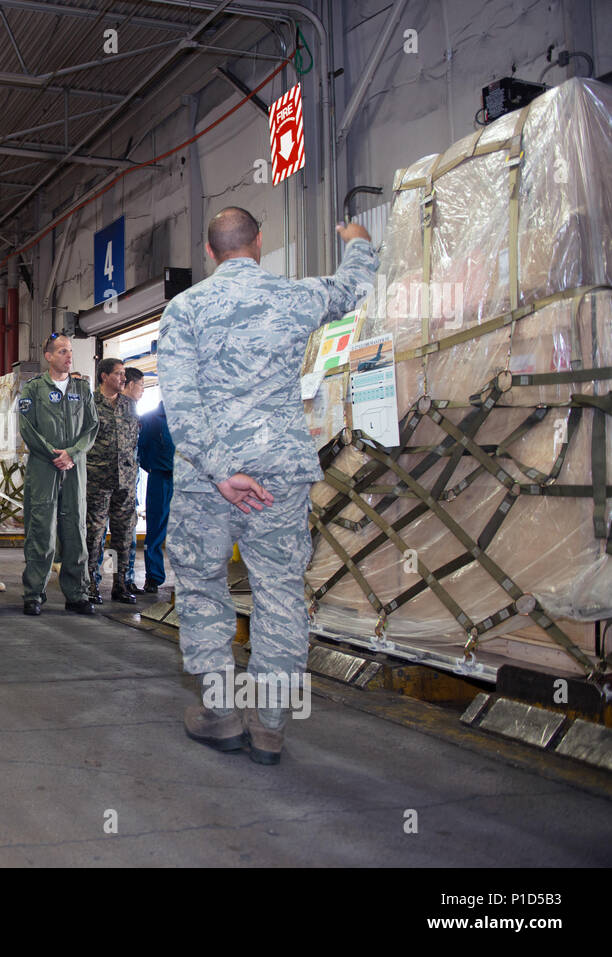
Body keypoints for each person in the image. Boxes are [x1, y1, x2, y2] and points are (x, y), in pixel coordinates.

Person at [161, 206, 376, 765]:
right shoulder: (295, 297)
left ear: (209, 252)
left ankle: (220, 712)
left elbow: (180, 406)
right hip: (280, 473)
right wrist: (356, 239)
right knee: (279, 593)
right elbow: (354, 287)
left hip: (208, 482)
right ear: (259, 243)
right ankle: (270, 725)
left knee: (202, 586)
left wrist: (219, 469)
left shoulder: (184, 309)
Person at [18, 334, 98, 616]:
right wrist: (53, 453)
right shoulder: (34, 389)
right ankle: (34, 593)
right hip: (43, 465)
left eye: (70, 351)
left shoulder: (82, 388)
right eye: (62, 351)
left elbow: (91, 427)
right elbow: (27, 427)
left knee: (75, 527)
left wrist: (72, 453)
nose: (68, 356)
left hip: (75, 467)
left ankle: (77, 593)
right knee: (41, 528)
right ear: (49, 356)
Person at [85, 358, 140, 605]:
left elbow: (134, 439)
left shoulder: (130, 405)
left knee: (122, 537)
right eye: (118, 374)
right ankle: (91, 585)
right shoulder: (90, 404)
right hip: (97, 479)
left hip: (125, 481)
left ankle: (118, 584)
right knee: (95, 535)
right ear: (104, 376)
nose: (123, 379)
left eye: (124, 374)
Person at [137, 400, 174, 593]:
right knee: (156, 529)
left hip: (187, 479)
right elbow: (140, 448)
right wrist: (151, 467)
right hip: (160, 477)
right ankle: (154, 577)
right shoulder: (151, 418)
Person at [119, 366, 147, 594]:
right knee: (98, 534)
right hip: (107, 481)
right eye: (141, 386)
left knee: (129, 531)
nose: (143, 391)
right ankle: (94, 579)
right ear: (129, 385)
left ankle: (126, 580)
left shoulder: (135, 412)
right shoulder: (110, 408)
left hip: (130, 481)